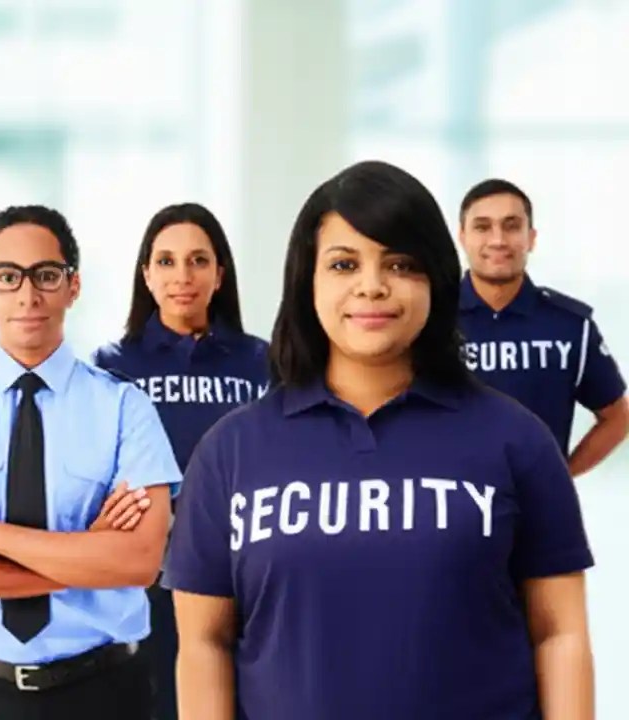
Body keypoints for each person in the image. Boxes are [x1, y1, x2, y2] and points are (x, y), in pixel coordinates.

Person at [165, 160, 595, 719]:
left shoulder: (517, 440)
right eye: (344, 264)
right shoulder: (230, 452)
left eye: (400, 263)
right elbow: (203, 646)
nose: (372, 285)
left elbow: (560, 634)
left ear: (436, 280)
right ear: (307, 281)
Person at [0, 204, 182, 720]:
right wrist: (87, 556)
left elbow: (138, 562)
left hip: (102, 687)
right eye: (8, 276)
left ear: (73, 285)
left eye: (46, 275)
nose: (28, 294)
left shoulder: (123, 408)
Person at [91, 202, 267, 720]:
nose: (181, 276)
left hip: (244, 576)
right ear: (145, 273)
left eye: (197, 260)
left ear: (220, 273)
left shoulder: (265, 361)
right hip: (147, 581)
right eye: (165, 261)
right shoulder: (112, 364)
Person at [457, 178, 627, 476]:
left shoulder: (569, 325)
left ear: (531, 237)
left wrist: (560, 478)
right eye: (482, 227)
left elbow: (618, 416)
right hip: (447, 511)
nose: (497, 240)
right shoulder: (428, 321)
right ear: (463, 237)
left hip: (536, 517)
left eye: (511, 226)